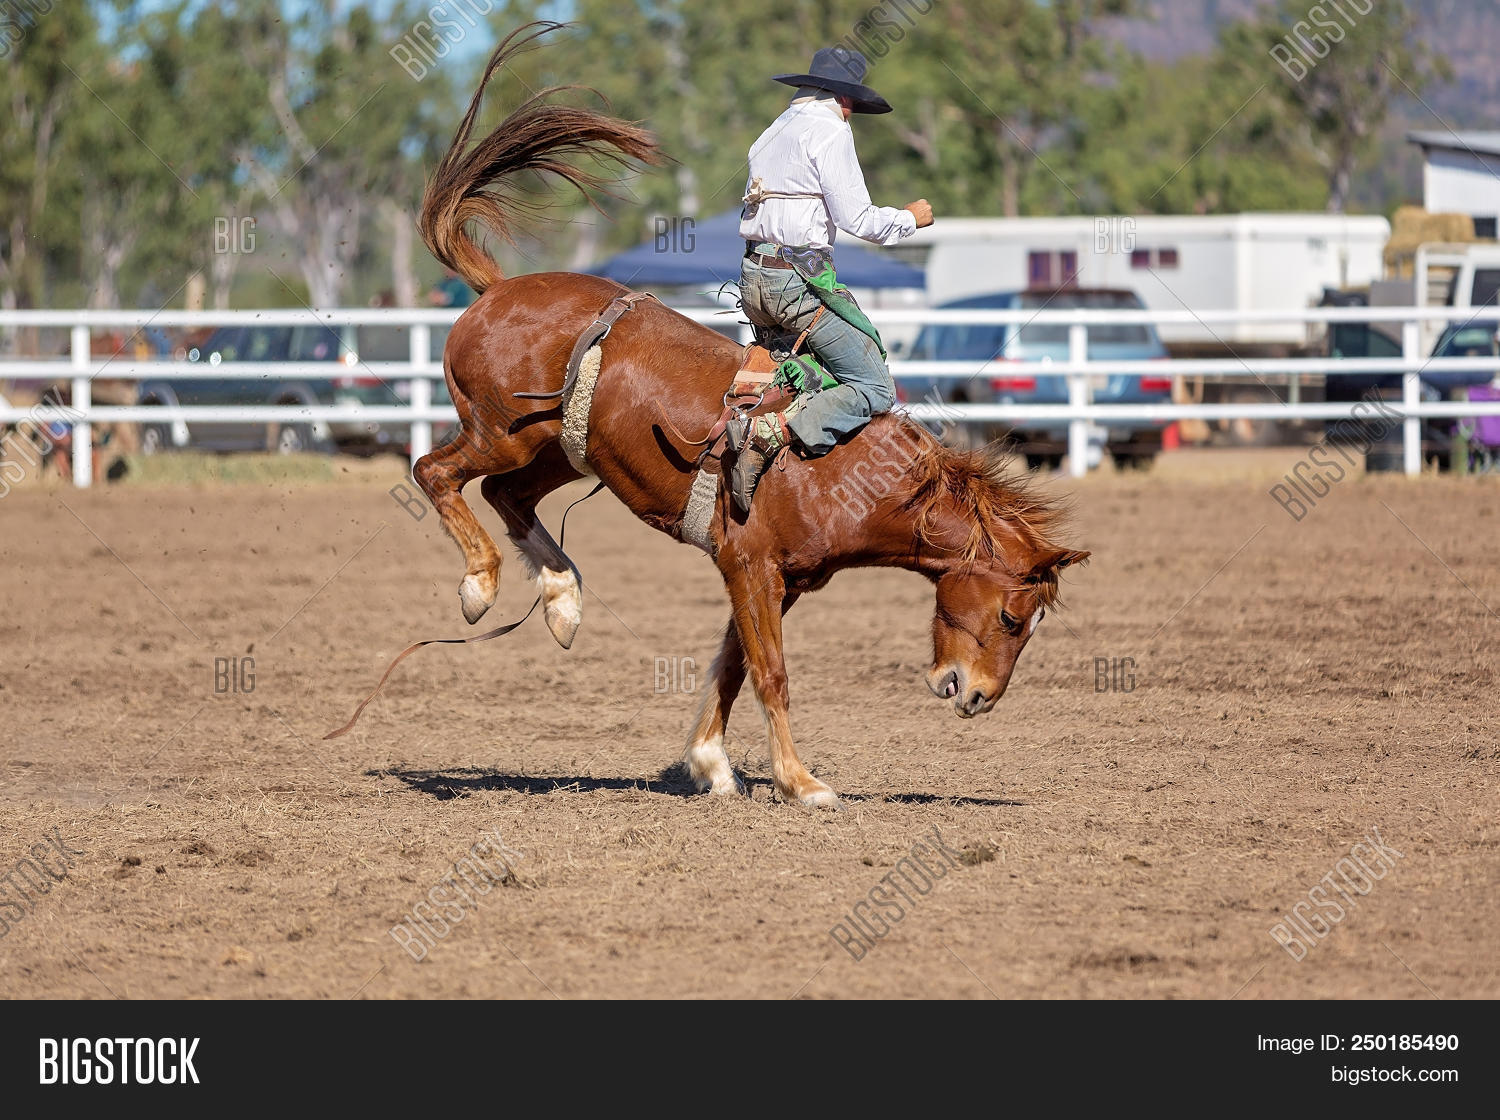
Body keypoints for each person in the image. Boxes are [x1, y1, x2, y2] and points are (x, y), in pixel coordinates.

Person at [732, 45, 933, 512]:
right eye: (852, 107)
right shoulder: (830, 132)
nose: (851, 115)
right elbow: (858, 219)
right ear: (843, 100)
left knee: (803, 363)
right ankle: (768, 434)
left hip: (753, 279)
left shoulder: (769, 134)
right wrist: (909, 218)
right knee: (873, 386)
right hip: (795, 284)